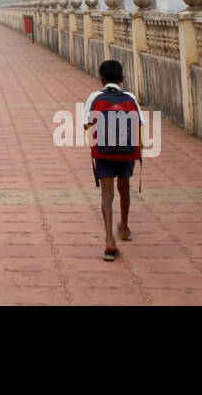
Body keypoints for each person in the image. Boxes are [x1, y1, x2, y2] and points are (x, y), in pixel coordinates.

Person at [84, 59, 145, 261]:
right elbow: (140, 125)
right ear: (122, 79)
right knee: (124, 188)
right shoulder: (130, 97)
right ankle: (125, 229)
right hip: (126, 151)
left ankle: (109, 239)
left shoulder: (94, 97)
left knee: (107, 194)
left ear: (101, 79)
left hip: (103, 152)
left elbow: (87, 125)